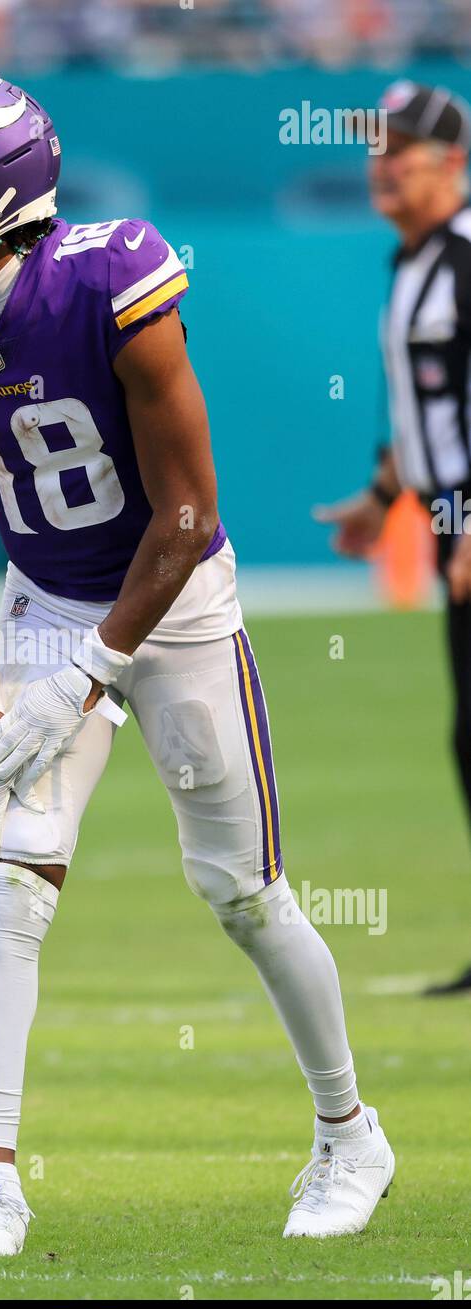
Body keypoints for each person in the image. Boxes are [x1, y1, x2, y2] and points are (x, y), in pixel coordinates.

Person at [0, 68, 394, 1256]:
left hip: (175, 601)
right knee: (12, 877)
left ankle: (348, 1133)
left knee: (240, 893)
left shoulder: (110, 278)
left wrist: (86, 675)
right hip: (42, 598)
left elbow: (187, 513)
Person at [317, 80, 471, 996]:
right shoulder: (413, 261)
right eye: (375, 147)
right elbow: (434, 408)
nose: (382, 164)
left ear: (451, 160)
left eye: (401, 148)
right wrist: (384, 495)